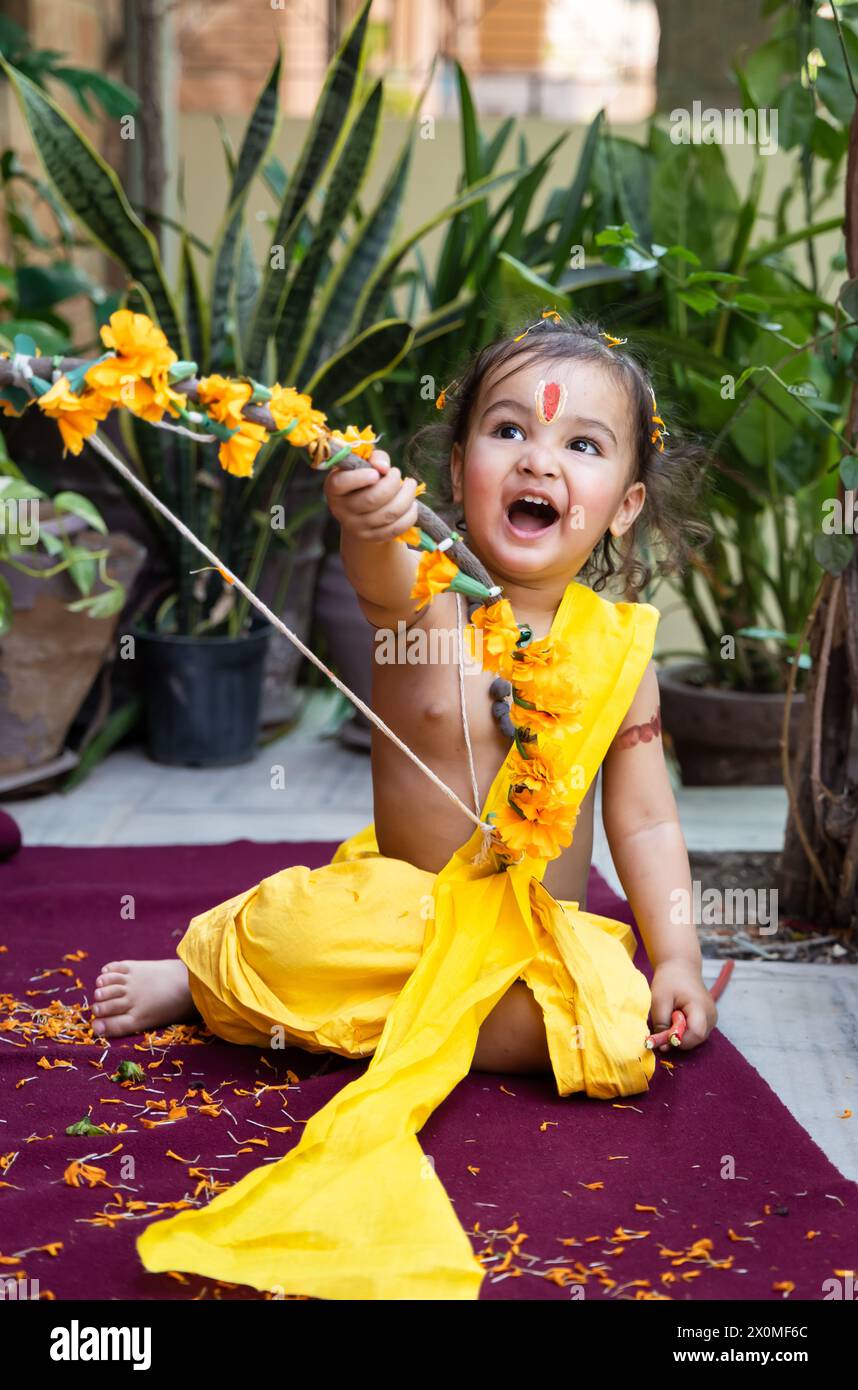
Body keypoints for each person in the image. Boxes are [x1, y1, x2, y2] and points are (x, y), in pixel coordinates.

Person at [107, 313, 719, 1298]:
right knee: (295, 934)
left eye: (582, 445)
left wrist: (678, 953)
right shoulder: (427, 602)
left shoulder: (624, 653)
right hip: (397, 909)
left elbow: (645, 820)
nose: (539, 459)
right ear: (458, 464)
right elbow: (382, 578)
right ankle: (206, 978)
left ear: (625, 505)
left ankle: (404, 1015)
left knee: (615, 1028)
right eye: (508, 430)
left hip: (528, 936)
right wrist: (368, 519)